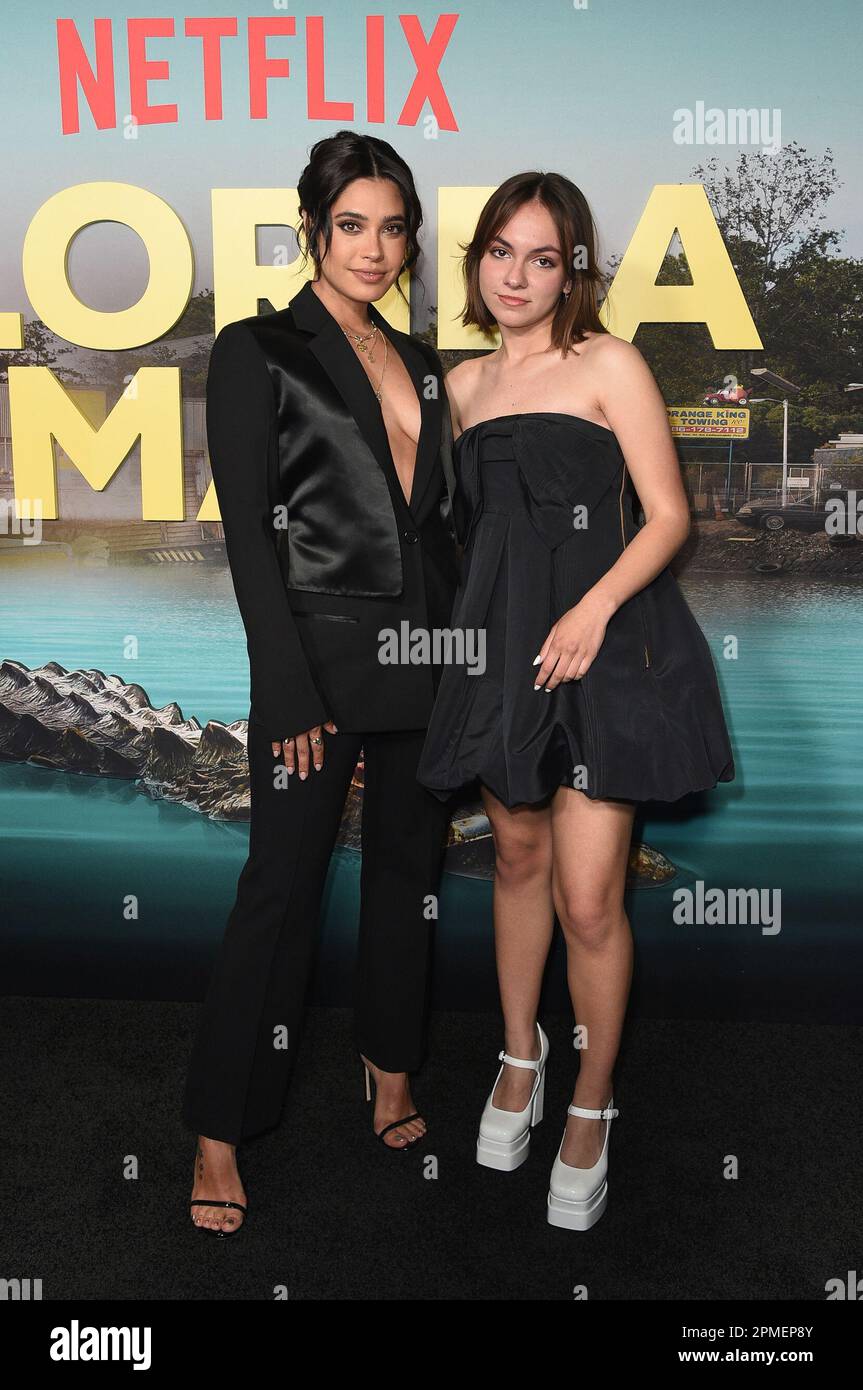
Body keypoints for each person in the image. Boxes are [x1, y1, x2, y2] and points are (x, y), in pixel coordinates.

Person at [416, 172, 735, 1231]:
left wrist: (593, 608)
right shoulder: (455, 388)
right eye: (499, 252)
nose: (516, 275)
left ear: (572, 270)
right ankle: (521, 1055)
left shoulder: (606, 363)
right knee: (512, 857)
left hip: (607, 643)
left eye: (541, 257)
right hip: (504, 658)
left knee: (590, 898)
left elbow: (666, 516)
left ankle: (591, 1100)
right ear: (476, 263)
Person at [182, 131, 460, 1235]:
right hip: (317, 659)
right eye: (353, 224)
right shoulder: (259, 349)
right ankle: (216, 1127)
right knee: (279, 890)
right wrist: (285, 685)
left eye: (394, 227)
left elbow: (437, 524)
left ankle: (390, 1068)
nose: (375, 247)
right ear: (313, 229)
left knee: (407, 873)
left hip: (428, 658)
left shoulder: (427, 359)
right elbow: (249, 535)